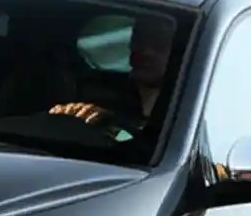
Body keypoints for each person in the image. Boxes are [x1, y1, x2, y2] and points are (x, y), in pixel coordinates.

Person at [46, 14, 175, 132]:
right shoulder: (96, 100)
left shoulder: (186, 113)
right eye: (138, 39)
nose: (145, 51)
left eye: (159, 44)